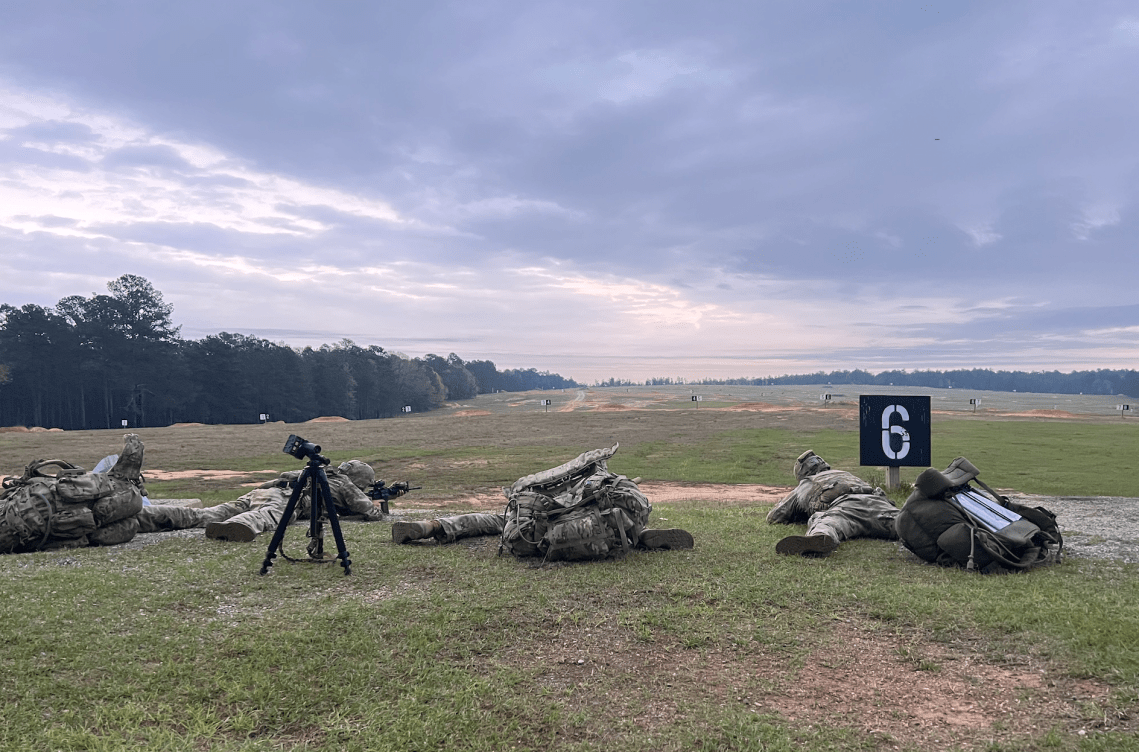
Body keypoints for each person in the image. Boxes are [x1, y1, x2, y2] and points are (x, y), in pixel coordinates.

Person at [392, 444, 693, 560]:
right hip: (603, 515)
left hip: (541, 527)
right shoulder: (598, 485)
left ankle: (432, 526)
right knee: (609, 522)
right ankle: (638, 536)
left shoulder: (530, 498)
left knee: (492, 521)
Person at [198, 459, 384, 542]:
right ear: (360, 481)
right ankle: (235, 526)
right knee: (266, 516)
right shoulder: (346, 483)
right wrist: (379, 506)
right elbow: (370, 512)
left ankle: (170, 515)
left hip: (266, 490)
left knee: (211, 513)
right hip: (287, 498)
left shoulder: (323, 473)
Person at [766, 450, 900, 556]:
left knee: (826, 522)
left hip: (844, 508)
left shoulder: (806, 483)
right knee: (903, 522)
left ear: (802, 475)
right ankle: (915, 529)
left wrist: (800, 514)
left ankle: (820, 536)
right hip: (876, 502)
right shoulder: (845, 474)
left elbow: (775, 516)